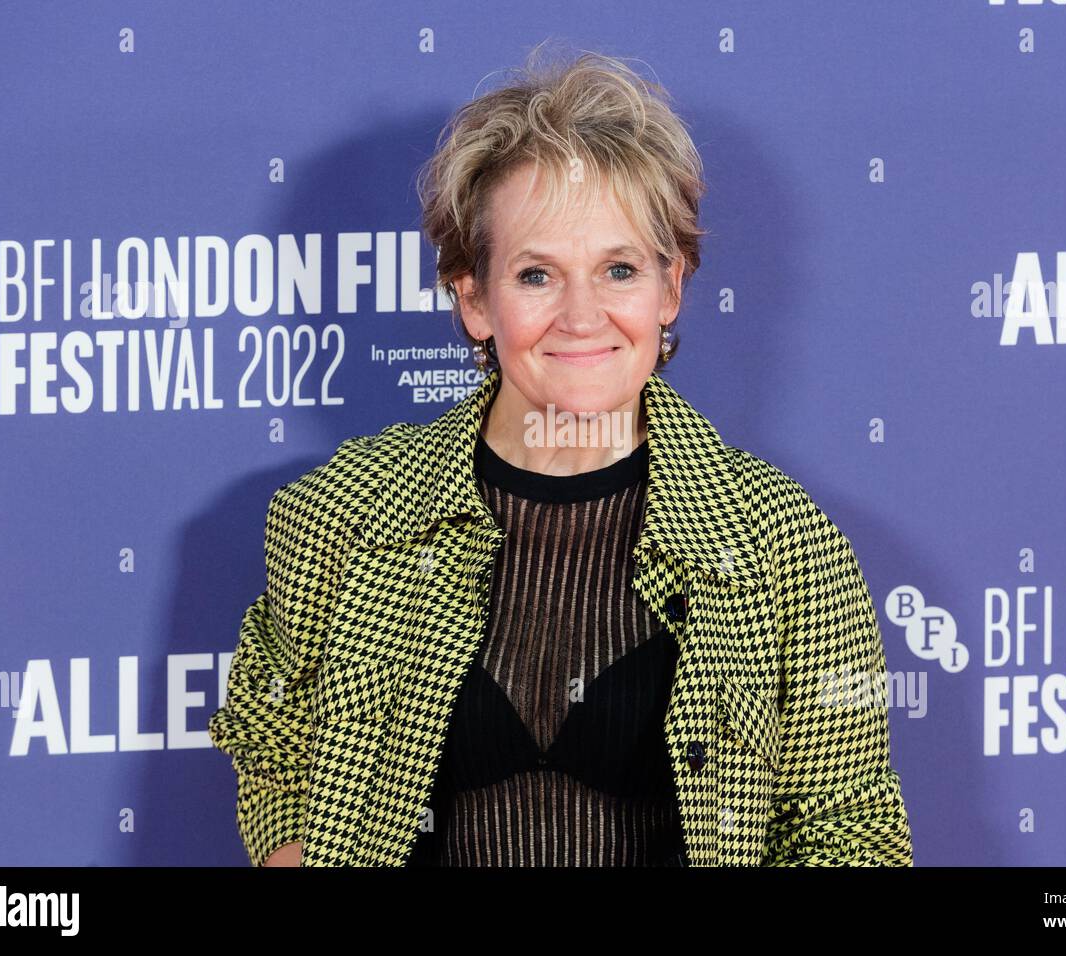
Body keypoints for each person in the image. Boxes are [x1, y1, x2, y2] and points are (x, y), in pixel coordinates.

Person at [208, 43, 913, 867]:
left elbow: (851, 831)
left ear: (670, 288)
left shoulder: (784, 545)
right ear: (474, 299)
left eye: (618, 269)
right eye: (537, 274)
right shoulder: (339, 515)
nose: (582, 317)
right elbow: (270, 741)